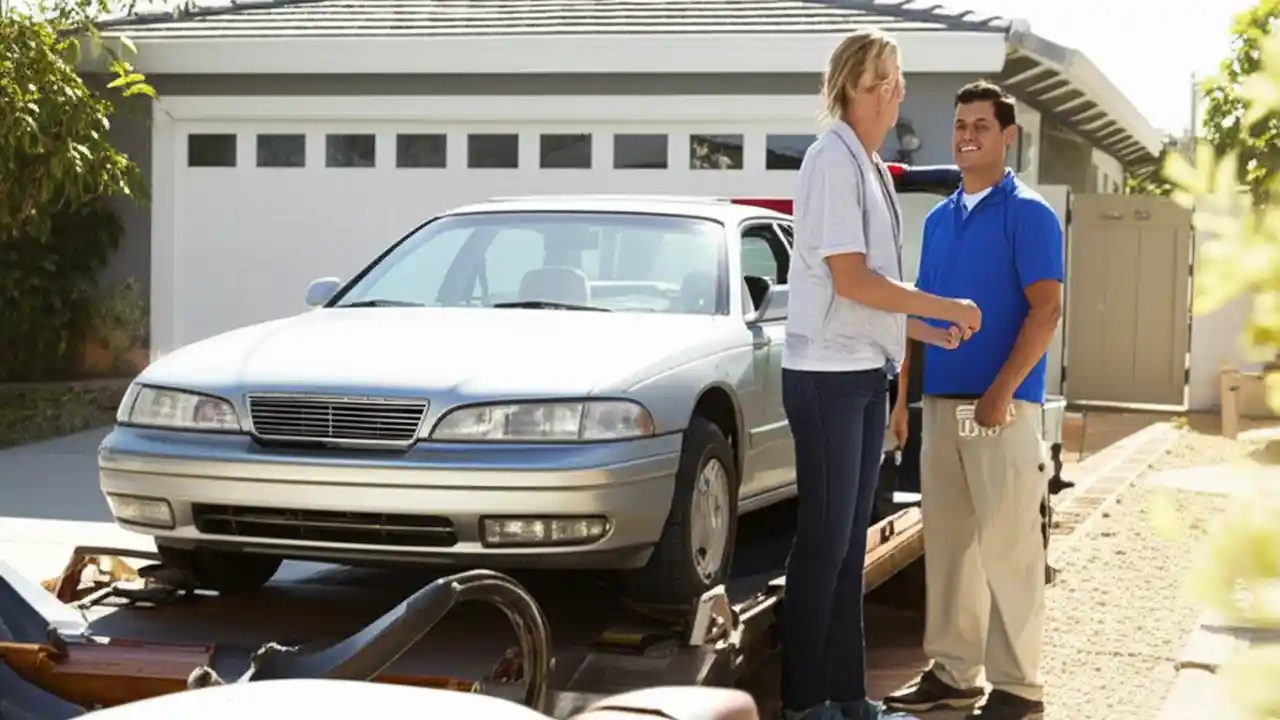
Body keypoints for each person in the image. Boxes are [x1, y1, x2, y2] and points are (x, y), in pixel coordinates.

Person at [780, 28, 983, 720]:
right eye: (884, 80)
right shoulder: (830, 160)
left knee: (846, 552)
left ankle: (846, 699)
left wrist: (928, 328)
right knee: (825, 546)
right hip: (827, 376)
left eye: (898, 77)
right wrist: (938, 304)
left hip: (862, 371)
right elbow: (852, 278)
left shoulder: (867, 163)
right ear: (852, 89)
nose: (898, 90)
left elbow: (869, 296)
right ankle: (808, 704)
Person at [883, 80, 1064, 720]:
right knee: (952, 546)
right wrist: (903, 401)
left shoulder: (1031, 214)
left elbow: (1046, 311)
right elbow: (919, 315)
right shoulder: (936, 221)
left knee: (1010, 547)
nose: (966, 136)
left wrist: (1002, 391)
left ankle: (1018, 687)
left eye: (980, 126)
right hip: (940, 405)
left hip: (1003, 409)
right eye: (960, 125)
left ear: (1007, 136)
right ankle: (955, 674)